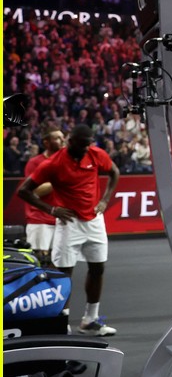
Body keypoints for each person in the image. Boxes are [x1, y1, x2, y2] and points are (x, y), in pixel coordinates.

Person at [16, 124, 120, 336]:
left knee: (98, 268)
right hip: (69, 224)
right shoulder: (53, 163)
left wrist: (105, 200)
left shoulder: (95, 154)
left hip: (94, 221)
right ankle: (62, 324)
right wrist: (51, 209)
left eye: (88, 144)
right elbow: (24, 191)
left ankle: (90, 320)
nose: (86, 149)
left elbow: (114, 172)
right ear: (70, 142)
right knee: (64, 274)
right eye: (82, 145)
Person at [23, 126, 66, 267]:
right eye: (57, 138)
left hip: (62, 219)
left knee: (60, 263)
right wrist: (60, 180)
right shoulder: (35, 162)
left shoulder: (68, 161)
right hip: (39, 220)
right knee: (37, 263)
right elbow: (34, 191)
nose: (62, 140)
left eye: (62, 137)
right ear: (46, 142)